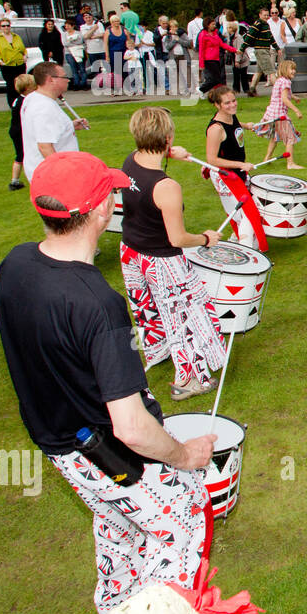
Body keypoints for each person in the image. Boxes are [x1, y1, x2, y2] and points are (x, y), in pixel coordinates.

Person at [0, 150, 215, 614]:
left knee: (115, 519)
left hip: (60, 448)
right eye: (111, 194)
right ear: (101, 210)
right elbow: (131, 427)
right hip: (107, 450)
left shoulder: (14, 265)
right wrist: (184, 455)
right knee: (183, 516)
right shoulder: (98, 304)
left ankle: (115, 606)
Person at [119, 107, 228, 400]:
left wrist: (169, 154)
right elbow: (177, 238)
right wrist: (206, 238)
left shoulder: (130, 161)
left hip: (130, 251)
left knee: (147, 310)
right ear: (168, 137)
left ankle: (157, 350)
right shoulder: (167, 186)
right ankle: (188, 379)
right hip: (161, 260)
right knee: (183, 316)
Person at [204, 86, 260, 251]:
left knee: (247, 210)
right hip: (225, 176)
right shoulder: (215, 129)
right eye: (227, 103)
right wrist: (241, 165)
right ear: (217, 105)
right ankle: (246, 251)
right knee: (246, 214)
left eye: (233, 100)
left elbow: (234, 124)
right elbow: (211, 159)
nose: (232, 105)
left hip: (238, 172)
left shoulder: (231, 116)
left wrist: (246, 126)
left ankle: (236, 239)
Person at [20, 62, 89, 181]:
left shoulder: (32, 98)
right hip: (51, 176)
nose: (68, 80)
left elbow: (40, 130)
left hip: (43, 171)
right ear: (50, 80)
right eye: (64, 77)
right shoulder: (44, 107)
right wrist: (61, 174)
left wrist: (69, 126)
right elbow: (44, 146)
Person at [257, 59, 304, 167]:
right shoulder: (286, 82)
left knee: (274, 137)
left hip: (271, 113)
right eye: (291, 69)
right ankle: (290, 163)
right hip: (279, 115)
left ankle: (266, 159)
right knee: (289, 138)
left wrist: (294, 97)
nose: (294, 71)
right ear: (284, 70)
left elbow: (284, 93)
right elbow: (284, 99)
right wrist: (296, 110)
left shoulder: (280, 80)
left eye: (294, 69)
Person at [245, 7, 276, 94]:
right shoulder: (257, 24)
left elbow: (270, 37)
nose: (266, 17)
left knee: (259, 71)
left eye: (267, 15)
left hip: (265, 50)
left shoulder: (266, 24)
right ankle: (279, 91)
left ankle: (251, 90)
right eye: (264, 15)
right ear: (260, 15)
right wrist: (242, 48)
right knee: (271, 71)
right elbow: (249, 37)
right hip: (261, 50)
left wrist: (276, 47)